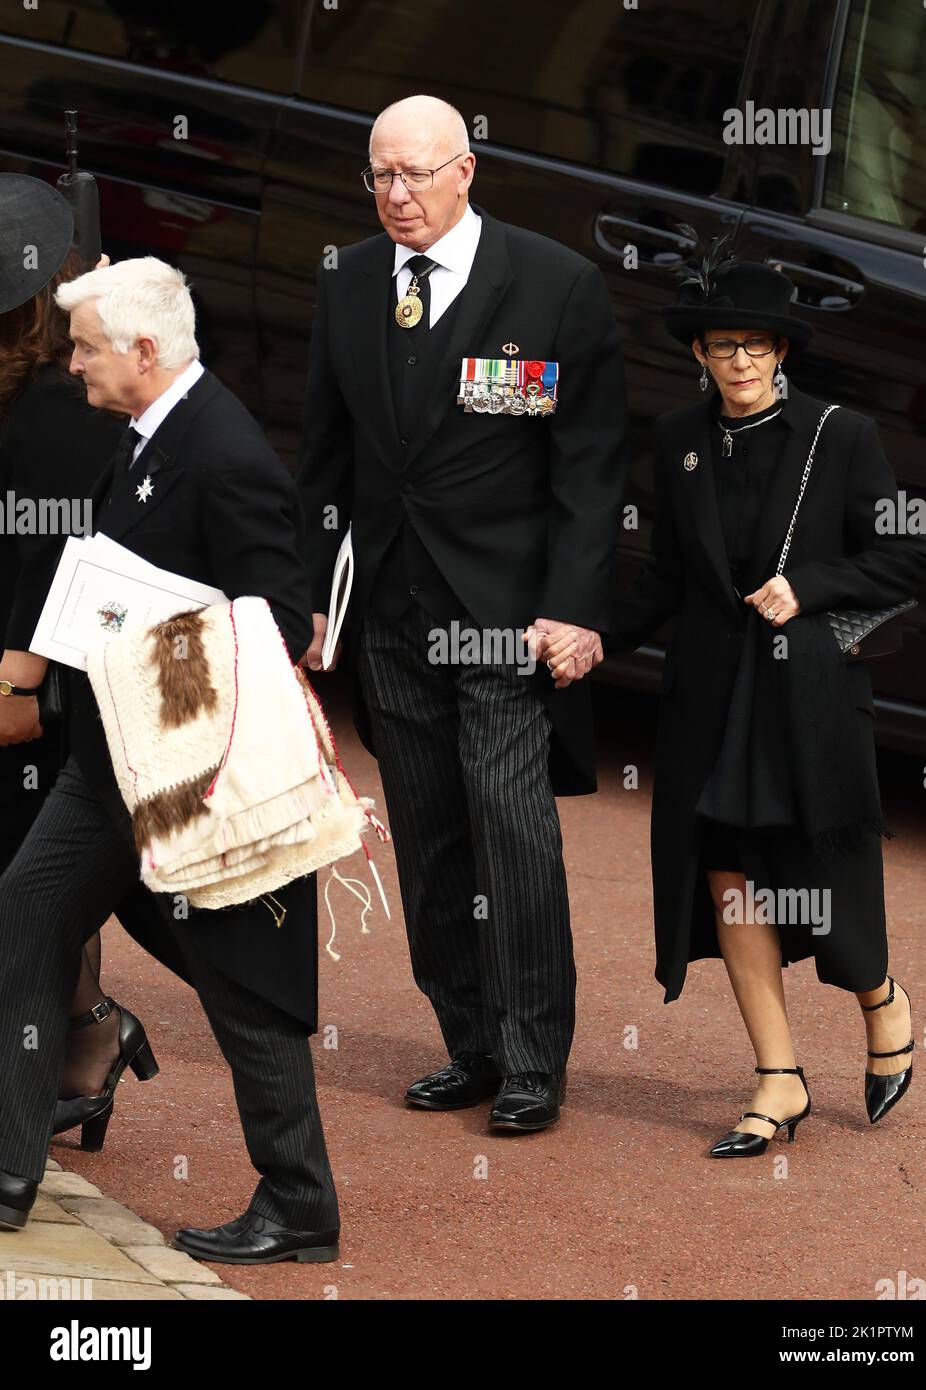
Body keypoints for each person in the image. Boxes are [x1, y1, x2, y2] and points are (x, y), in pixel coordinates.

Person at [542, 258, 926, 1156]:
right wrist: (596, 637)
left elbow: (905, 561)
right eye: (724, 346)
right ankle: (778, 1078)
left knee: (818, 880)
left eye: (756, 345)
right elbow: (670, 577)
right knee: (726, 875)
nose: (742, 361)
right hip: (710, 701)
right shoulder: (680, 439)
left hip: (807, 700)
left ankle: (882, 996)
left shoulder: (842, 436)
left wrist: (811, 584)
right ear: (702, 356)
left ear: (782, 349)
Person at [0, 256, 340, 1263]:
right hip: (111, 771)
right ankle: (12, 1162)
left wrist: (145, 618)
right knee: (22, 916)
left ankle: (301, 1205)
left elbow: (278, 619)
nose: (72, 365)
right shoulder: (148, 431)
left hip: (195, 780)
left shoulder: (223, 451)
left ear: (145, 352)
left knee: (245, 985)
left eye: (87, 347)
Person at [297, 94, 626, 1131]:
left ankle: (534, 1060)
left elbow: (588, 473)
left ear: (465, 170)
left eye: (414, 174)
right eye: (378, 176)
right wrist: (309, 598)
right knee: (431, 833)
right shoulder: (346, 279)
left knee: (511, 831)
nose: (395, 195)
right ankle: (469, 1042)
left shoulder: (555, 284)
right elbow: (324, 459)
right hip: (390, 611)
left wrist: (574, 609)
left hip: (505, 616)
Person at [0, 172, 158, 1131]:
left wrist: (19, 675)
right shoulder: (30, 381)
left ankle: (76, 1047)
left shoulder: (62, 399)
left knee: (31, 878)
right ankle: (91, 1039)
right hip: (34, 659)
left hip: (51, 673)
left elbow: (51, 555)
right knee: (30, 882)